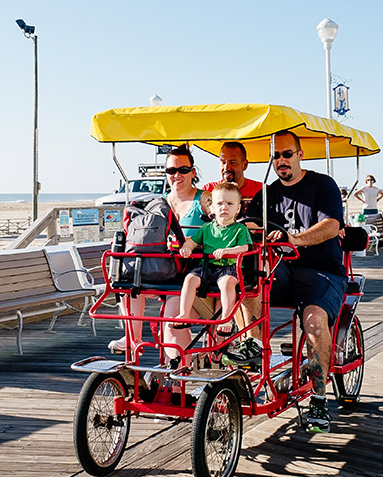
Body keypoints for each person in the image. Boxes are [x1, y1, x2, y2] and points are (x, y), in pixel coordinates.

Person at [241, 130, 347, 433]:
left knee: (313, 322)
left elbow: (330, 226)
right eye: (276, 155)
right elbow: (248, 224)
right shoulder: (266, 194)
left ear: (300, 155)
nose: (281, 161)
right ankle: (255, 348)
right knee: (244, 278)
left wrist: (295, 239)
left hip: (321, 270)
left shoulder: (322, 185)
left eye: (287, 154)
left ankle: (318, 398)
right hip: (282, 269)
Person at [108, 145, 207, 357]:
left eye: (183, 169)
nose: (177, 175)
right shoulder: (157, 203)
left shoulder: (205, 200)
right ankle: (132, 339)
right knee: (130, 285)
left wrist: (193, 242)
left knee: (171, 328)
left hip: (189, 274)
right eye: (171, 171)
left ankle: (180, 372)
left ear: (193, 172)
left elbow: (220, 231)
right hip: (159, 269)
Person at [175, 183, 251, 336]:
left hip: (229, 266)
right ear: (212, 209)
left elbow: (245, 248)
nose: (224, 207)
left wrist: (227, 251)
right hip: (207, 266)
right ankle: (184, 314)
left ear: (237, 209)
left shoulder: (240, 229)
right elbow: (192, 241)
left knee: (227, 282)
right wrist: (187, 248)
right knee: (190, 279)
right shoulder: (206, 228)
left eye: (229, 204)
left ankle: (226, 318)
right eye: (219, 203)